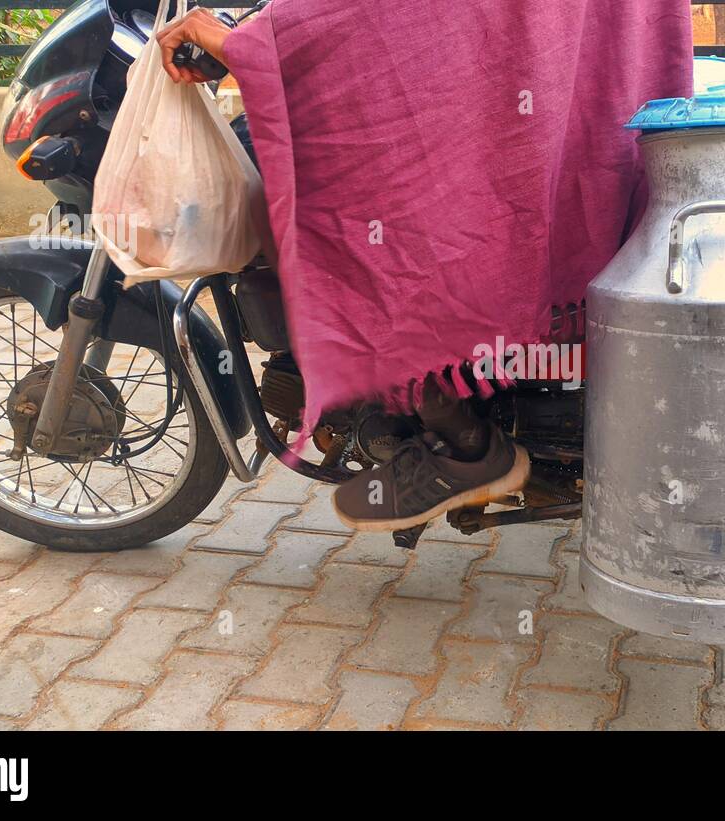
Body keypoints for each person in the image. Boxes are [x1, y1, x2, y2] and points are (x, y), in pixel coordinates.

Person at [157, 0, 692, 531]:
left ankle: (465, 444)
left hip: (529, 77)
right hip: (597, 72)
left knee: (389, 215)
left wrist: (261, 40)